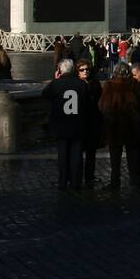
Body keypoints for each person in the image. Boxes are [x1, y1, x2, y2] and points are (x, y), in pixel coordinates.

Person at [42, 58, 86, 191]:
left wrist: (55, 80)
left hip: (61, 125)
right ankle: (76, 182)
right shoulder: (81, 84)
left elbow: (45, 95)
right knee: (76, 155)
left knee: (63, 155)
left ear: (60, 70)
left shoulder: (57, 84)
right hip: (77, 124)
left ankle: (62, 181)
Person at [99, 62, 140, 187]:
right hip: (130, 125)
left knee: (115, 156)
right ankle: (135, 179)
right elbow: (139, 104)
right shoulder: (133, 85)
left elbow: (102, 105)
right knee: (132, 154)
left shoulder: (109, 85)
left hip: (113, 125)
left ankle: (115, 181)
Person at [76, 57, 103, 187]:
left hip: (93, 123)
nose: (85, 71)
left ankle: (89, 176)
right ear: (78, 71)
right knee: (78, 153)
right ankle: (77, 176)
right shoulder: (75, 85)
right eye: (82, 70)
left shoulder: (95, 83)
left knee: (91, 153)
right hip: (80, 124)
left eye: (87, 69)